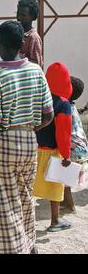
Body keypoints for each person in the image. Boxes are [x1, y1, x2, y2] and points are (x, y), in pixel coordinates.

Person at [0, 21, 54, 254]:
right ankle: (29, 245)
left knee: (5, 205)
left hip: (4, 144)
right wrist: (30, 129)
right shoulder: (36, 70)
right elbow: (49, 115)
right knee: (25, 197)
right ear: (22, 43)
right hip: (30, 142)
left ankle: (13, 250)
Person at [33, 61, 73, 232]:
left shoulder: (38, 97)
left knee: (30, 186)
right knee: (55, 186)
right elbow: (63, 133)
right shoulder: (63, 104)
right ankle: (55, 221)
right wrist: (66, 155)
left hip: (34, 148)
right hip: (54, 152)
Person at [62, 76, 88, 212]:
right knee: (67, 177)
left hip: (74, 147)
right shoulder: (72, 106)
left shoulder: (65, 107)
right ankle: (65, 201)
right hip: (81, 147)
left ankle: (69, 205)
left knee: (65, 178)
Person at [17, 0, 43, 67]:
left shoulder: (33, 37)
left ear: (33, 17)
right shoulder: (17, 32)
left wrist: (19, 57)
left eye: (23, 15)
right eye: (18, 14)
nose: (19, 18)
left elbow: (37, 65)